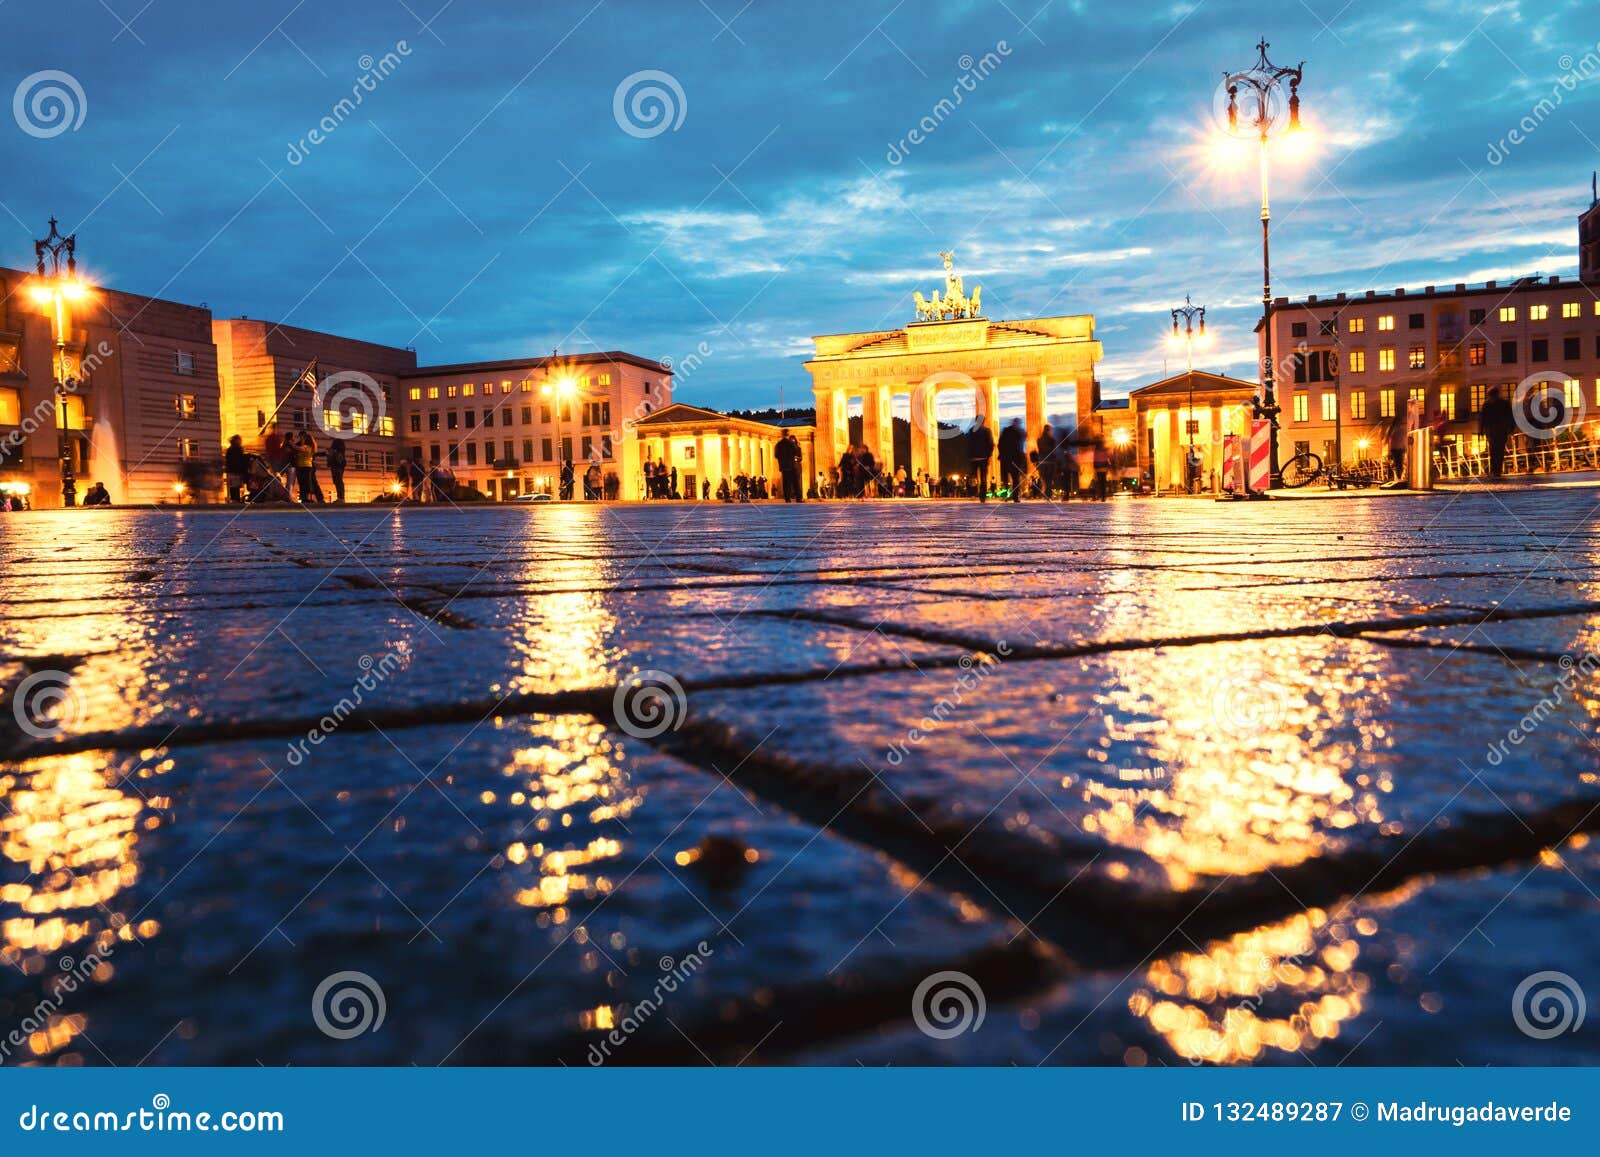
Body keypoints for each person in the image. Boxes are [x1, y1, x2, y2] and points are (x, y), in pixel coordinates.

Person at [1480, 385, 1514, 478]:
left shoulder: (1487, 404)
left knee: (1493, 451)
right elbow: (1510, 416)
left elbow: (1483, 419)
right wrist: (1511, 428)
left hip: (1492, 430)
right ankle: (1497, 470)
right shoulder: (1504, 403)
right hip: (1501, 430)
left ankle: (1495, 470)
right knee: (1499, 451)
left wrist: (1481, 431)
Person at [999, 418, 1027, 503]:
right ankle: (1014, 497)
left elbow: (1000, 444)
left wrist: (1002, 454)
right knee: (1014, 479)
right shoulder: (1019, 432)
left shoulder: (1006, 431)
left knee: (1007, 479)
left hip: (1006, 458)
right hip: (1014, 458)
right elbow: (1021, 443)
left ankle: (1008, 496)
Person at [967, 421, 994, 501]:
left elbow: (968, 444)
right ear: (983, 422)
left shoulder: (971, 430)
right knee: (983, 478)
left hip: (973, 458)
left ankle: (973, 493)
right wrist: (989, 455)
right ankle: (982, 496)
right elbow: (990, 444)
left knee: (973, 477)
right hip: (983, 458)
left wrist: (969, 455)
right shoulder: (987, 431)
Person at [775, 430, 803, 502]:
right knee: (795, 482)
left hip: (784, 467)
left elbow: (776, 455)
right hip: (791, 466)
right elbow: (795, 452)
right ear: (787, 435)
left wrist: (781, 462)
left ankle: (787, 498)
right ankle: (798, 498)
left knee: (786, 483)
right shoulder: (790, 444)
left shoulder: (779, 444)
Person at [292, 432, 318, 503]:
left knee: (306, 483)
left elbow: (300, 449)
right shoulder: (303, 446)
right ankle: (304, 498)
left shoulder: (308, 447)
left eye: (302, 438)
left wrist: (291, 444)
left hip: (306, 466)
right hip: (300, 466)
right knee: (301, 483)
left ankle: (308, 498)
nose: (301, 440)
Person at [1035, 424, 1058, 500]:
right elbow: (1054, 451)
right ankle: (1048, 494)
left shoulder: (1039, 440)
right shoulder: (1052, 440)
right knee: (1049, 479)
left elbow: (1039, 450)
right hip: (1050, 462)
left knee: (1045, 479)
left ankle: (1046, 494)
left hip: (1042, 461)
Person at [225, 435, 248, 503]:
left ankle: (234, 499)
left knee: (233, 486)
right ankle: (237, 498)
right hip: (237, 470)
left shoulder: (230, 449)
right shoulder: (239, 449)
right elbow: (241, 460)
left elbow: (228, 460)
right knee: (236, 485)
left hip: (231, 470)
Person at [326, 437, 347, 503]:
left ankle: (341, 498)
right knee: (338, 481)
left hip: (336, 466)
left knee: (338, 481)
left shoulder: (337, 448)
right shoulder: (340, 449)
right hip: (338, 465)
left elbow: (332, 456)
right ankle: (340, 497)